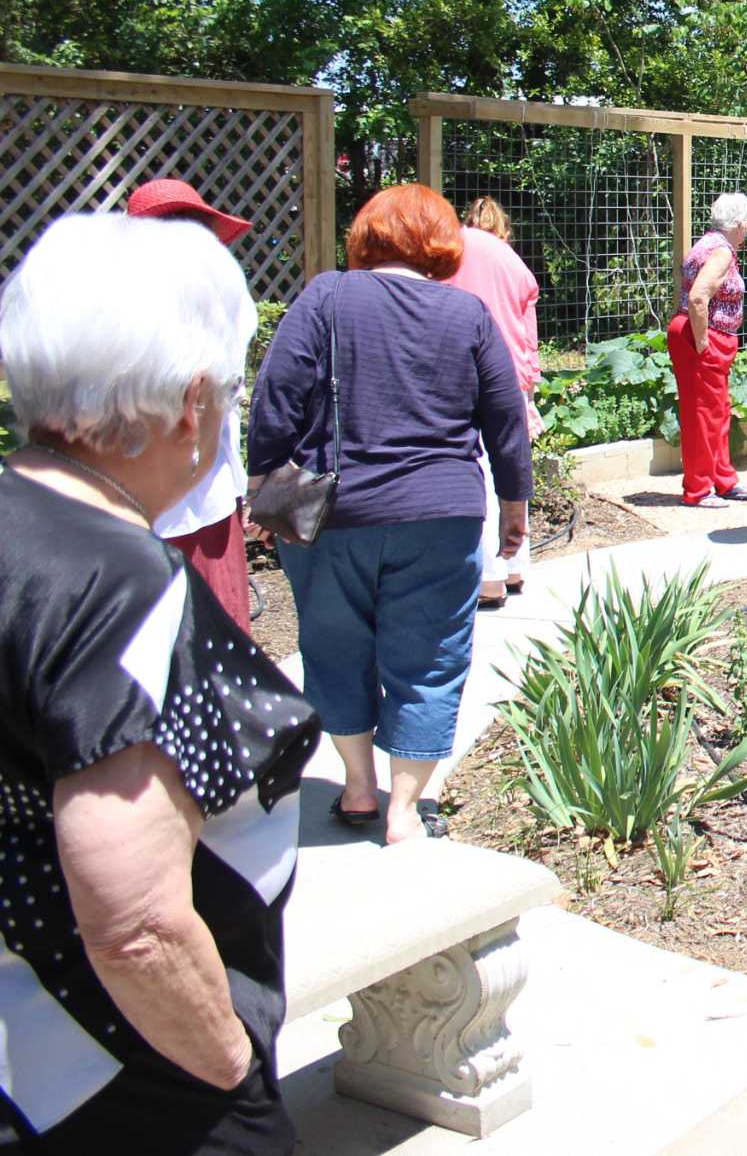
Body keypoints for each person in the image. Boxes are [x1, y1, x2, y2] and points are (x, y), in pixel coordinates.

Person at [0, 213, 320, 1152]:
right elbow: (134, 920)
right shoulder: (119, 587)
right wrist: (225, 1065)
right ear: (190, 404)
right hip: (124, 1076)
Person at [248, 184, 530, 846]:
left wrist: (264, 485)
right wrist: (514, 504)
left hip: (333, 514)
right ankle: (405, 811)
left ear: (365, 237)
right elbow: (506, 419)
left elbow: (276, 396)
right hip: (443, 514)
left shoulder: (324, 297)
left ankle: (353, 785)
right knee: (430, 655)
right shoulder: (467, 315)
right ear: (441, 243)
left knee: (332, 645)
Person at [126, 178, 258, 632]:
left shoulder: (121, 303)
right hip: (199, 495)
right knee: (213, 639)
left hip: (148, 496)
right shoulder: (222, 301)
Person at [452, 196, 541, 606]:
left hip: (467, 366)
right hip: (511, 373)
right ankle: (516, 564)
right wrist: (530, 385)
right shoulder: (512, 262)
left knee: (478, 468)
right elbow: (528, 328)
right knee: (512, 466)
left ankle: (488, 577)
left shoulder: (451, 250)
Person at [667, 191, 747, 508]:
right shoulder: (720, 251)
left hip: (703, 337)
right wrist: (703, 342)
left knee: (717, 409)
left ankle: (723, 480)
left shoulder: (709, 243)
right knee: (702, 414)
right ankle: (699, 488)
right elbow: (697, 298)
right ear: (739, 222)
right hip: (701, 338)